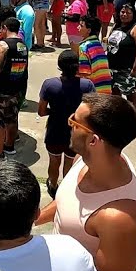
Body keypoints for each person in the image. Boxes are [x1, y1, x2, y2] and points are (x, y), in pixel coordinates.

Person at [38, 94, 136, 271]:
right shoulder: (87, 160)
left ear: (94, 140)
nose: (68, 123)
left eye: (75, 122)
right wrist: (31, 218)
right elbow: (68, 201)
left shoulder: (118, 217)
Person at [39, 49, 96, 196]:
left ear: (59, 66)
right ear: (77, 66)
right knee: (70, 162)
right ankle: (66, 188)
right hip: (77, 131)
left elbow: (41, 111)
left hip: (54, 130)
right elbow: (92, 109)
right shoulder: (87, 85)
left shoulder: (49, 85)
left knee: (54, 160)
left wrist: (55, 111)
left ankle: (52, 185)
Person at [0, 15, 29, 162]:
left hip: (0, 90)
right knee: (12, 118)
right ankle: (9, 146)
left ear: (5, 28)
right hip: (16, 89)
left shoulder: (2, 46)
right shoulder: (23, 45)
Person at [105, 2, 136, 110]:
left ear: (134, 14)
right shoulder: (117, 25)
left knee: (131, 96)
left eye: (128, 13)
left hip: (128, 69)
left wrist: (134, 70)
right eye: (122, 12)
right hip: (112, 68)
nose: (124, 14)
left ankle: (132, 120)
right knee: (114, 94)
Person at [78, 15, 113, 94]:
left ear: (88, 30)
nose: (78, 27)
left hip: (94, 93)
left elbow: (84, 74)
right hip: (106, 90)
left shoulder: (84, 48)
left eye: (81, 26)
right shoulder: (97, 44)